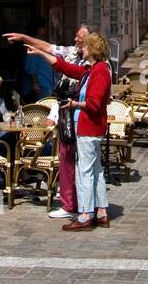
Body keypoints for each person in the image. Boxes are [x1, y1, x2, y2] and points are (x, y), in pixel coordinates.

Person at [6, 26, 89, 221]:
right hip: (64, 107)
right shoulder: (72, 53)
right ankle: (71, 202)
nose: (76, 40)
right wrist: (24, 37)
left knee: (82, 161)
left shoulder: (94, 63)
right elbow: (49, 47)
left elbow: (72, 73)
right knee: (66, 158)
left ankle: (84, 204)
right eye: (75, 36)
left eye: (80, 38)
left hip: (79, 111)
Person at [36, 33, 112, 230]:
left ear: (93, 49)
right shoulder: (90, 70)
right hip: (87, 127)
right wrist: (41, 53)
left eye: (85, 47)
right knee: (96, 170)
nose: (81, 49)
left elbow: (94, 104)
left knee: (84, 171)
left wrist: (73, 104)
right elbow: (66, 68)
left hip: (89, 127)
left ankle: (85, 215)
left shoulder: (100, 70)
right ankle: (101, 212)